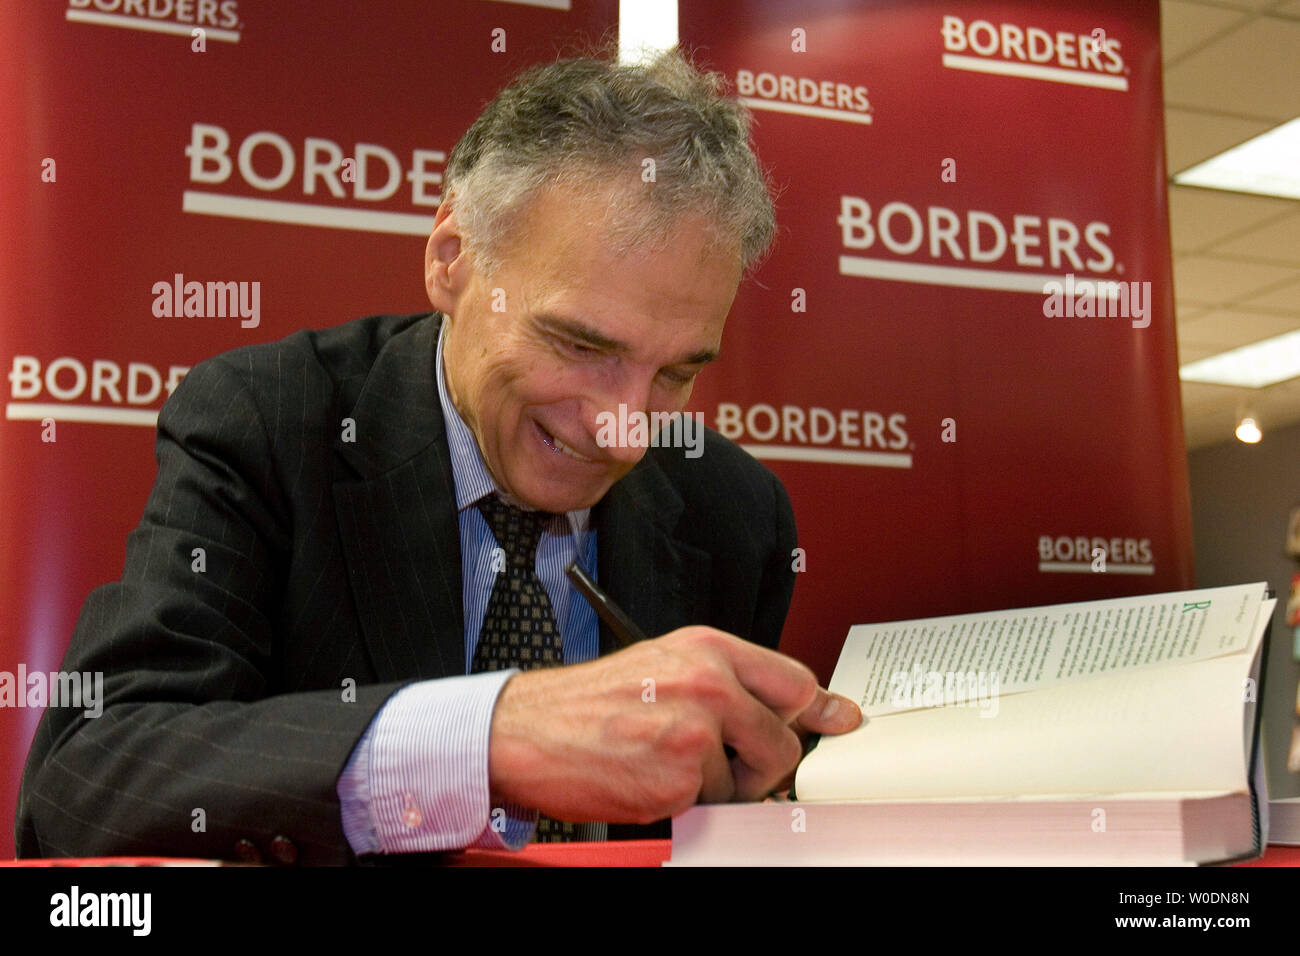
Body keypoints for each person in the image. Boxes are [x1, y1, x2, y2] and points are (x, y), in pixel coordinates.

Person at [15, 48, 861, 865]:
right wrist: (489, 735)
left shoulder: (734, 511)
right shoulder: (272, 423)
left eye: (675, 373)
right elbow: (87, 780)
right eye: (580, 345)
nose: (626, 433)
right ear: (452, 259)